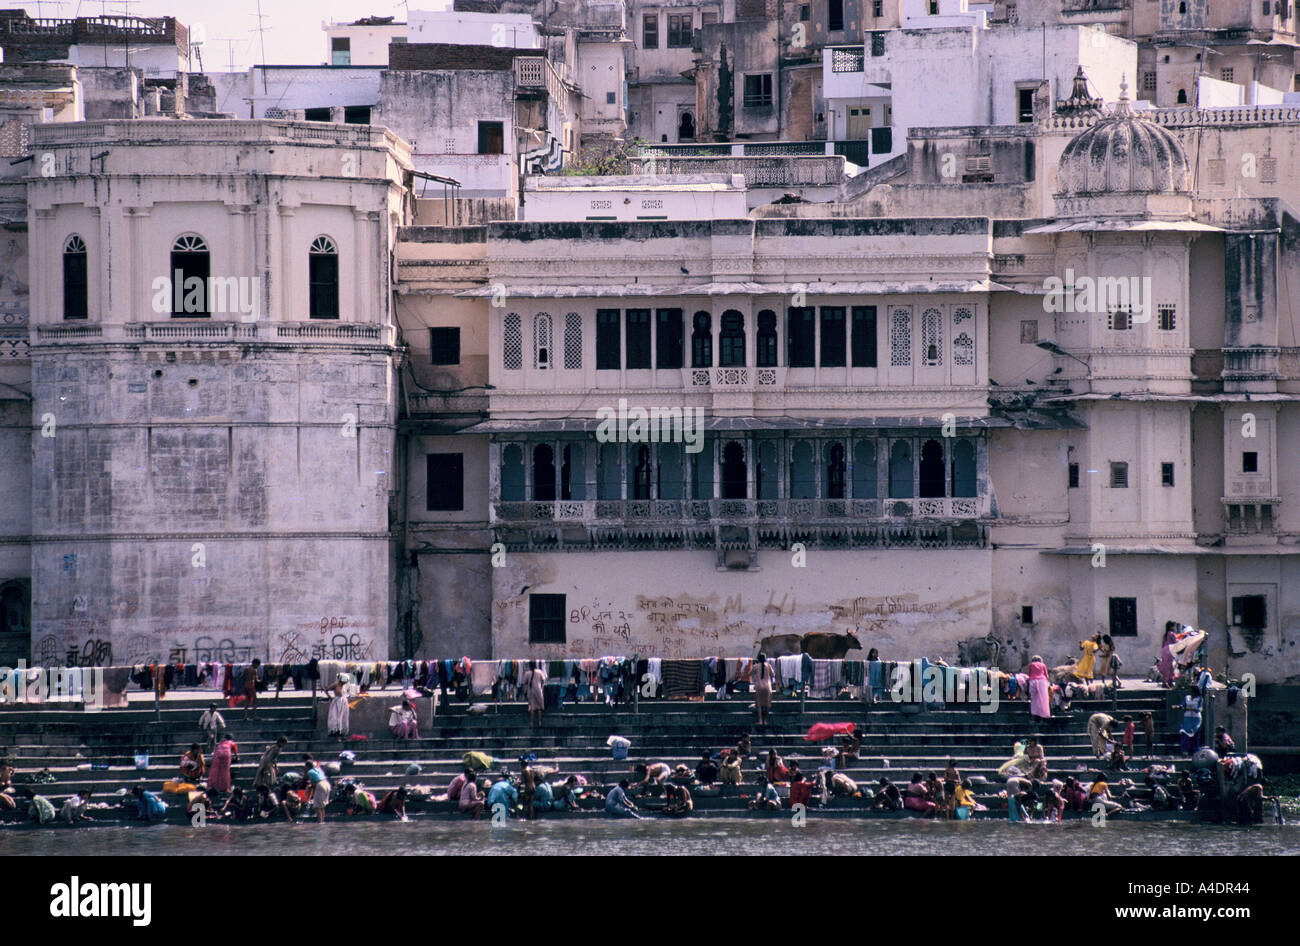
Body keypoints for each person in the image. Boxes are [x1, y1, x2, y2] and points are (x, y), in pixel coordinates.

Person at [304, 758, 331, 824]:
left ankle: (320, 822)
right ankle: (322, 821)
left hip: (320, 785)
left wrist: (309, 789)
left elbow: (313, 783)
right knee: (322, 806)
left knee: (317, 807)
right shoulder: (318, 769)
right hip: (327, 784)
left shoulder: (310, 772)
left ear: (307, 767)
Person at [753, 652, 774, 727]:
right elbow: (773, 674)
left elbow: (750, 673)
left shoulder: (755, 666)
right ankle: (766, 720)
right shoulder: (768, 665)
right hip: (767, 687)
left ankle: (760, 720)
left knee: (759, 705)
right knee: (767, 704)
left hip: (759, 686)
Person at [521, 661, 546, 726]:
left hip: (531, 691)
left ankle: (531, 722)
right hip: (538, 690)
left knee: (532, 707)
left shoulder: (527, 673)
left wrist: (524, 691)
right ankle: (540, 722)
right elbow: (543, 681)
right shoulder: (540, 672)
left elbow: (524, 683)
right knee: (539, 707)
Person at [1027, 655, 1051, 720]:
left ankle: (1034, 713)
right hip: (1042, 681)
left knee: (1033, 698)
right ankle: (1044, 714)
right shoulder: (1043, 665)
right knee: (1043, 698)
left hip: (1032, 681)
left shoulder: (1031, 665)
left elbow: (1029, 674)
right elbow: (1046, 676)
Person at [1179, 690, 1203, 755]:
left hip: (1196, 719)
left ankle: (1194, 750)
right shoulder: (1187, 697)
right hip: (1187, 718)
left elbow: (1200, 709)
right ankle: (1185, 750)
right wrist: (1181, 707)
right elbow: (1182, 704)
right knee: (1185, 733)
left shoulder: (1199, 699)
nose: (1191, 692)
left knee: (1194, 734)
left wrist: (1192, 709)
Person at [1158, 622, 1179, 688]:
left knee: (1166, 667)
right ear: (1171, 627)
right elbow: (1176, 642)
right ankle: (1168, 681)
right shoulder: (1172, 634)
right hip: (1170, 651)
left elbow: (1163, 644)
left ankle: (1167, 682)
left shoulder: (1165, 635)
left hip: (1164, 651)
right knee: (1170, 667)